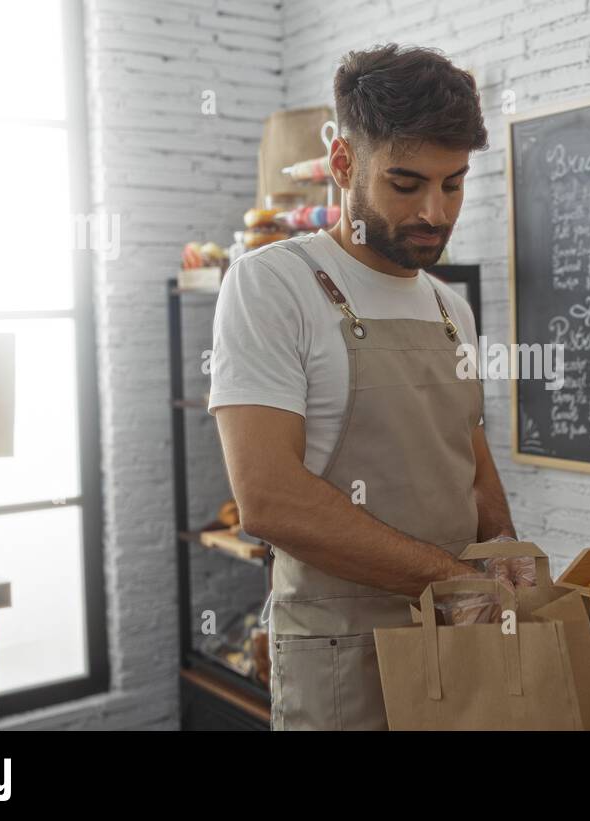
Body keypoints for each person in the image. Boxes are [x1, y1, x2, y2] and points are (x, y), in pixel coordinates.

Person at [209, 44, 516, 730]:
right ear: (344, 164)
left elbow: (468, 456)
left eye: (454, 183)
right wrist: (449, 577)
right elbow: (267, 499)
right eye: (406, 184)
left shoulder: (448, 306)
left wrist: (505, 553)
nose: (436, 212)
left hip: (459, 637)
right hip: (343, 655)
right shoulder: (271, 286)